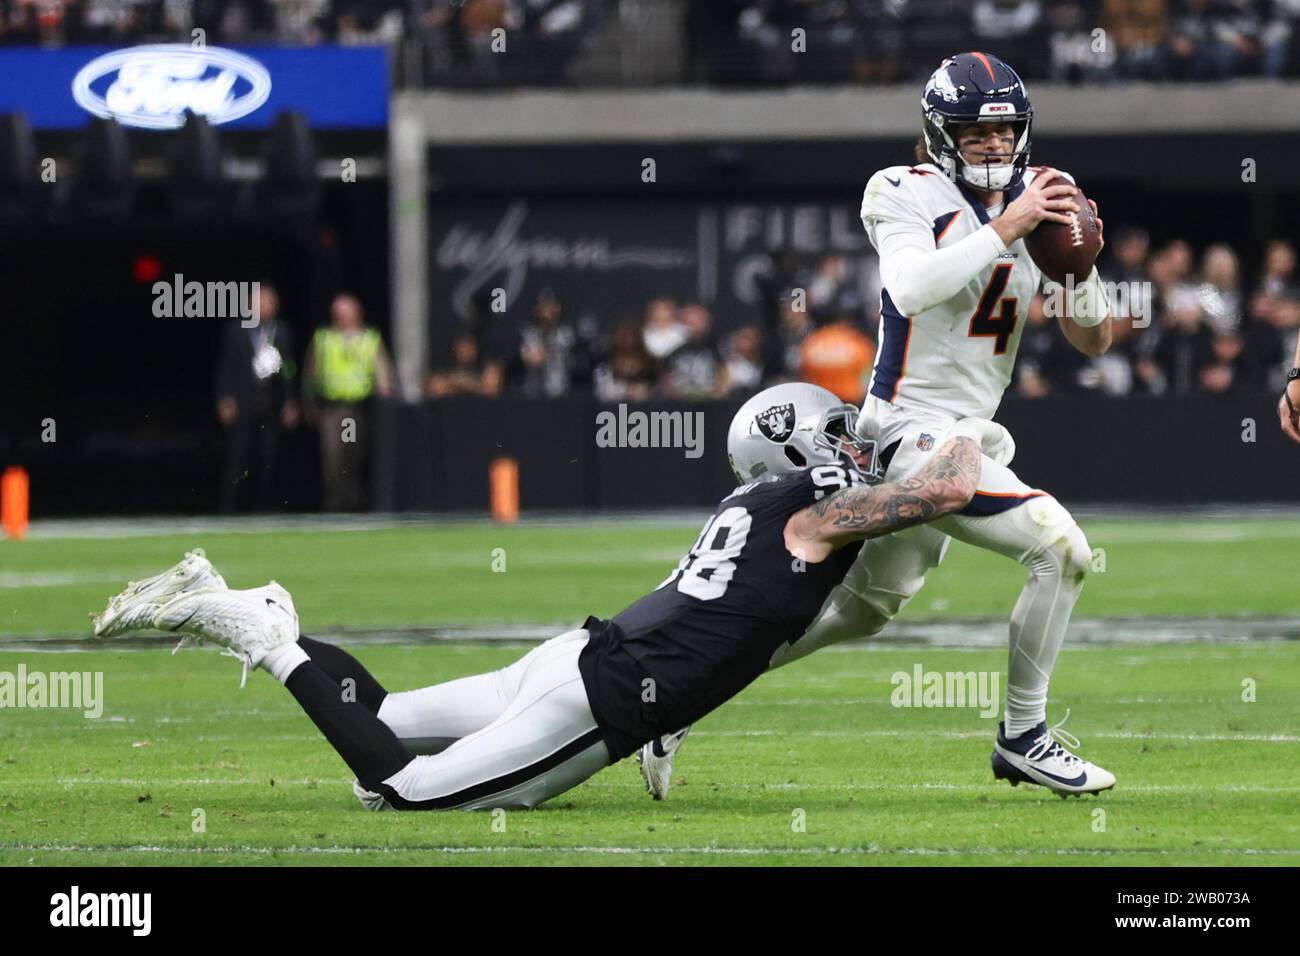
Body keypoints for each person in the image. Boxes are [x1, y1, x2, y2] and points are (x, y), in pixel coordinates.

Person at [92, 384, 998, 811]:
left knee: (386, 713)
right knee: (398, 790)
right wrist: (965, 421)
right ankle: (260, 632)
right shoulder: (814, 516)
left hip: (577, 656)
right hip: (597, 698)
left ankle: (269, 616)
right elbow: (946, 492)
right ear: (796, 454)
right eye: (835, 433)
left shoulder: (748, 505)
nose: (852, 446)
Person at [643, 51, 1117, 800]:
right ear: (939, 133)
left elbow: (1095, 343)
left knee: (855, 612)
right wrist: (1012, 226)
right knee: (1061, 548)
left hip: (966, 431)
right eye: (975, 133)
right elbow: (912, 284)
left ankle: (671, 697)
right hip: (906, 432)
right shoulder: (903, 189)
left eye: (1005, 133)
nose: (994, 148)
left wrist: (1080, 269)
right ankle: (1024, 737)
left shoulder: (1039, 197)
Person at [302, 294, 395, 512]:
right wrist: (309, 406)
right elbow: (310, 375)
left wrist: (384, 388)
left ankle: (352, 501)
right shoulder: (324, 339)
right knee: (332, 457)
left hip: (355, 411)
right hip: (331, 409)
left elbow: (382, 371)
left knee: (351, 454)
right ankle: (336, 502)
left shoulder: (368, 339)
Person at [214, 282, 299, 513]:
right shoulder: (236, 330)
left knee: (268, 458)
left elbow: (289, 368)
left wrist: (291, 401)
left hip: (271, 403)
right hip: (242, 403)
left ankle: (263, 508)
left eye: (268, 302)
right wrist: (224, 398)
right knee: (238, 457)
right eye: (259, 302)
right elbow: (226, 366)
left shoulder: (282, 332)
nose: (264, 307)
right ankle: (230, 508)